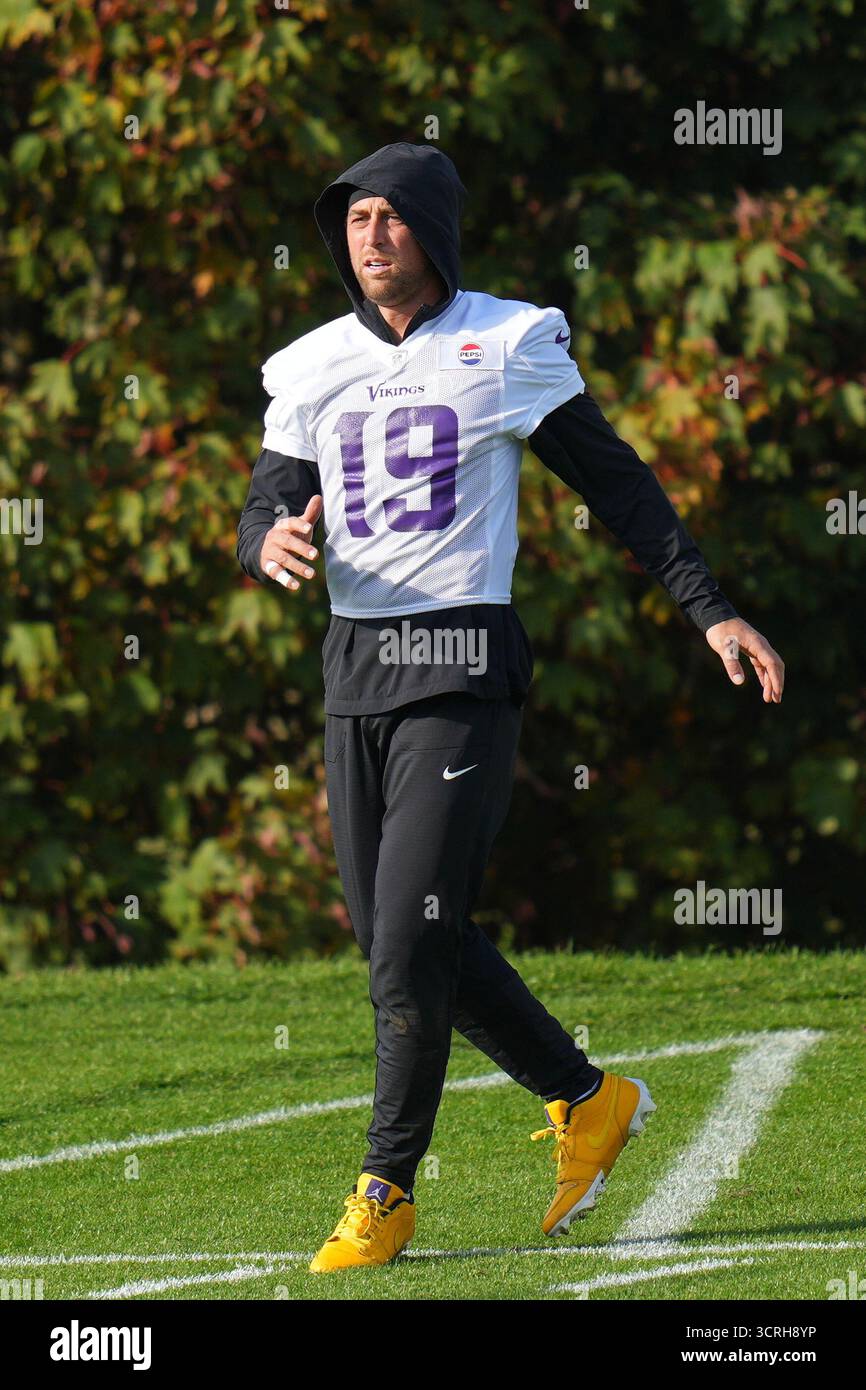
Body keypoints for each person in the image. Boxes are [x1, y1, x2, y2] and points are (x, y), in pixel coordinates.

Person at [236, 142, 785, 1274]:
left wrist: (709, 610)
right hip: (355, 677)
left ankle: (384, 1189)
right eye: (353, 219)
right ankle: (585, 1100)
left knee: (405, 945)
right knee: (403, 939)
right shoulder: (308, 365)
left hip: (462, 662)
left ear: (431, 231)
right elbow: (266, 506)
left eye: (390, 217)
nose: (369, 236)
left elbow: (613, 480)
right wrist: (265, 542)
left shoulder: (506, 339)